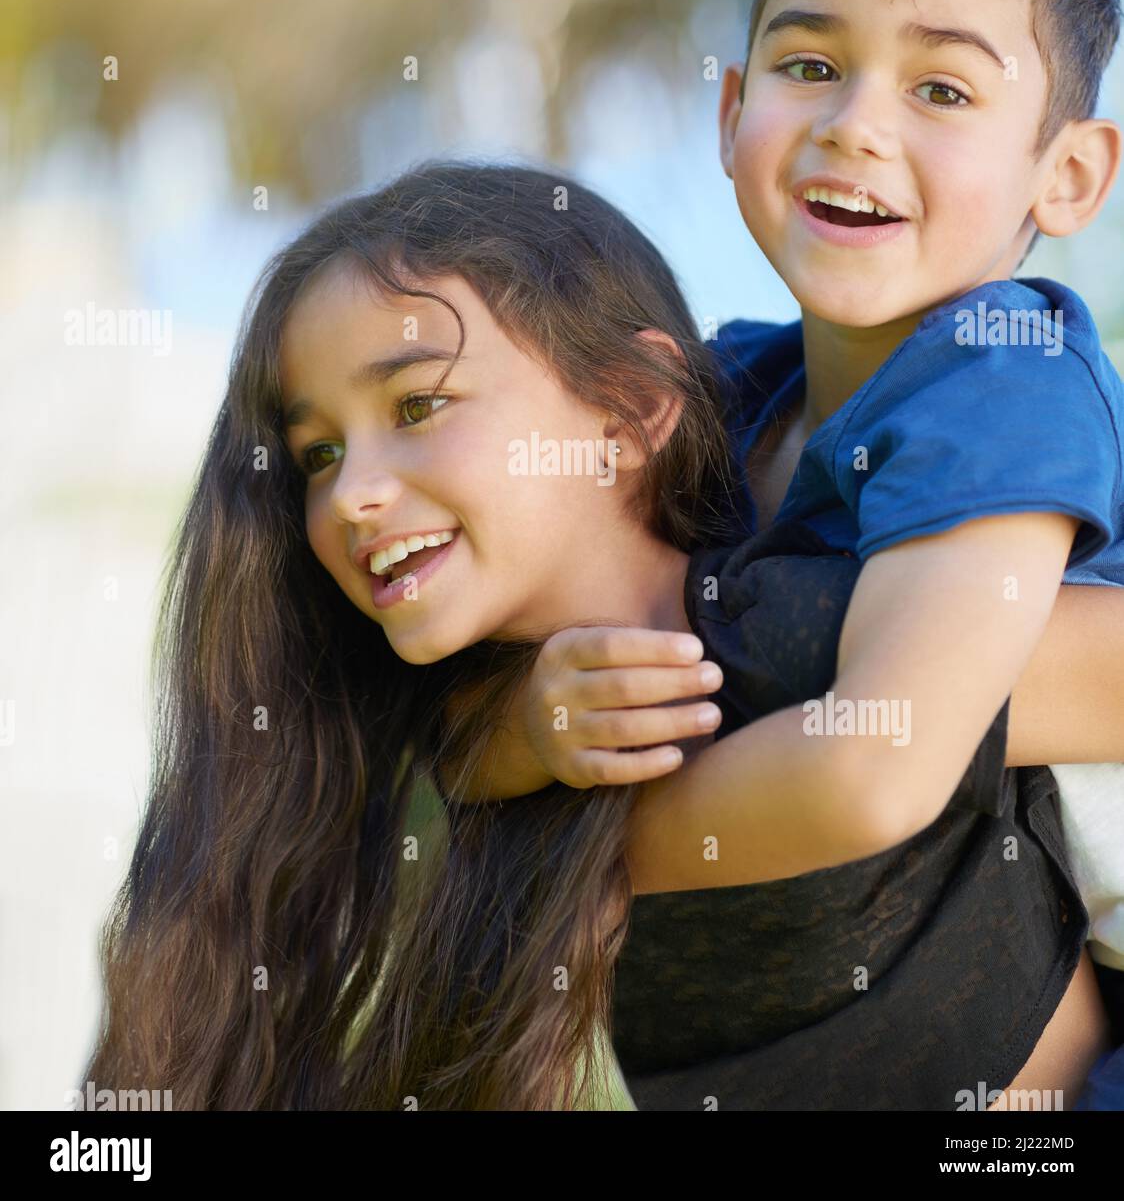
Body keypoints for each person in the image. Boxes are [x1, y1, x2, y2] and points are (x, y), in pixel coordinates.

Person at [80, 161, 1124, 1111]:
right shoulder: (428, 751)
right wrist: (517, 745)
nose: (351, 493)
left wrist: (580, 838)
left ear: (628, 408)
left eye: (418, 403)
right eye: (316, 455)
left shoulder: (833, 630)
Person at [462, 0, 1124, 1108]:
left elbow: (874, 761)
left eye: (939, 91)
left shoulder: (1003, 372)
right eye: (809, 64)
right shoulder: (720, 394)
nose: (853, 126)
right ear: (729, 112)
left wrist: (570, 859)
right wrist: (530, 724)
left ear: (1068, 172)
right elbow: (468, 693)